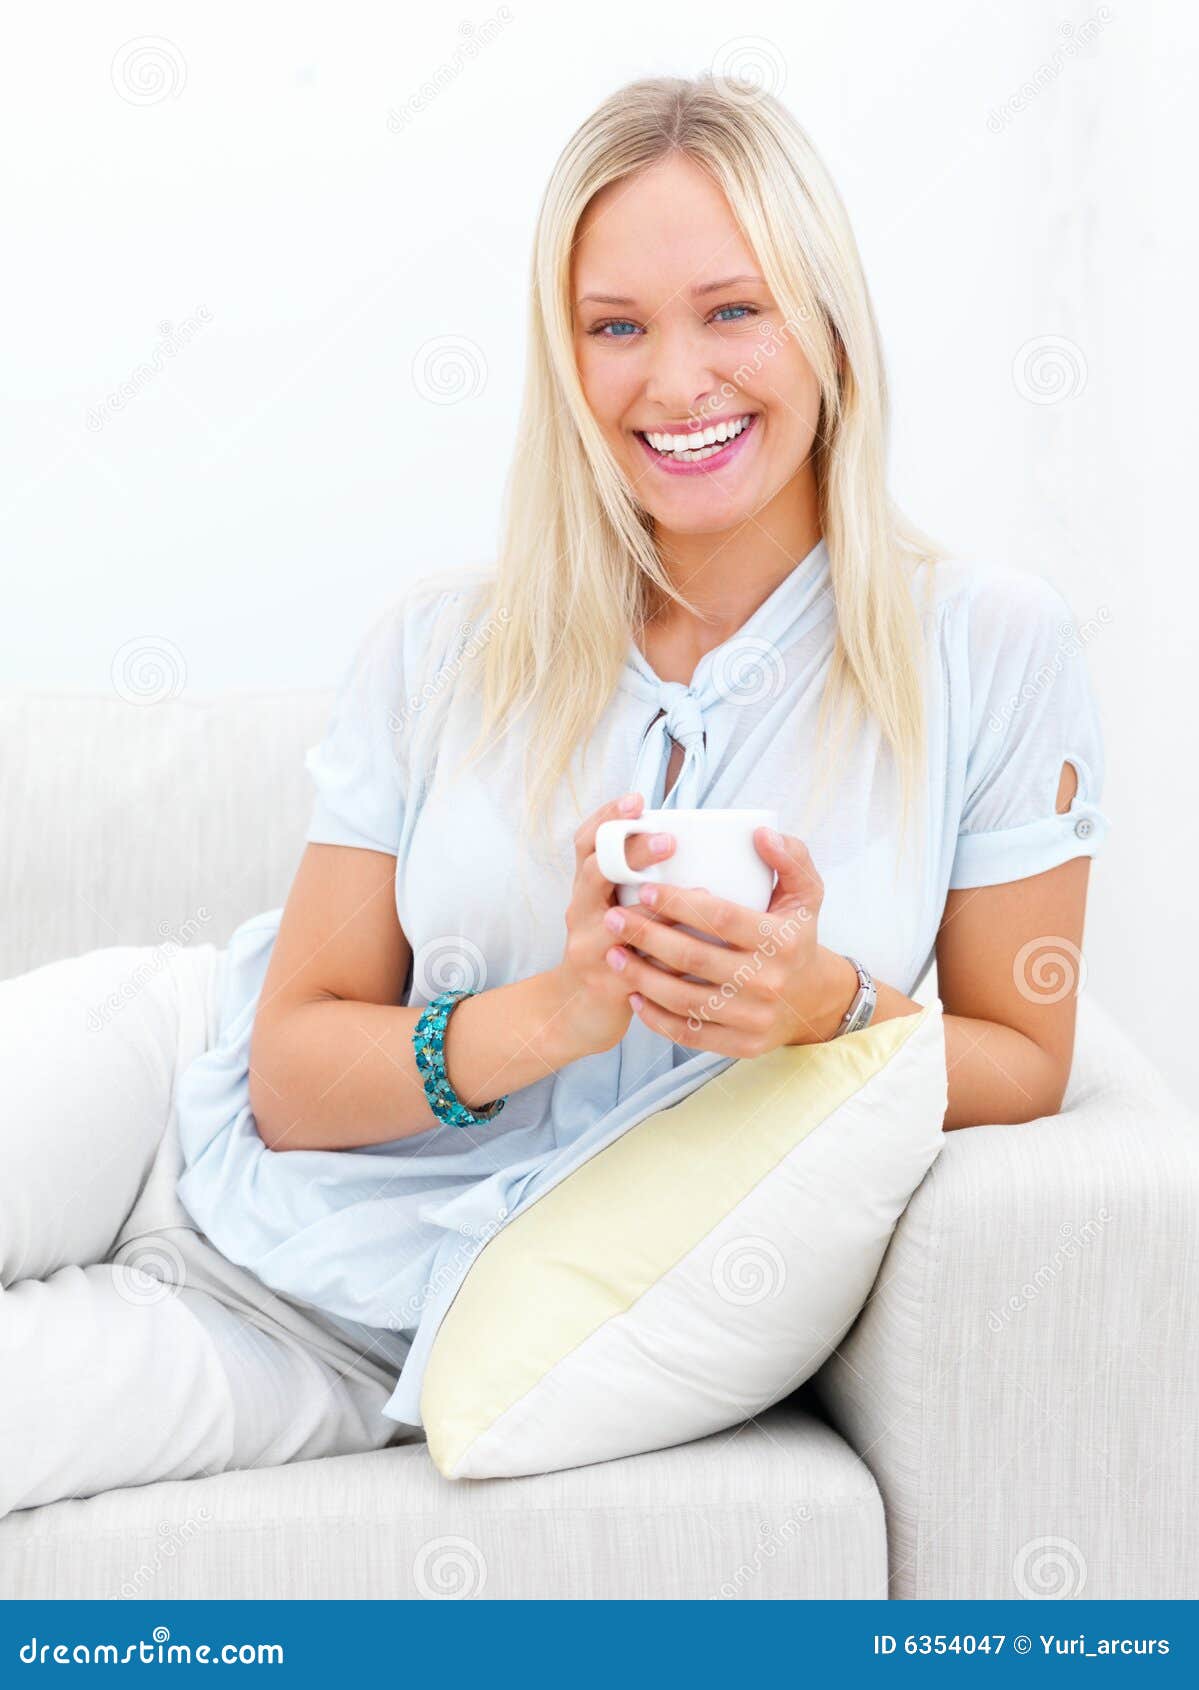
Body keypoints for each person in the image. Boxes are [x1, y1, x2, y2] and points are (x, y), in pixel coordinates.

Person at [0, 74, 1109, 1521]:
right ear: (566, 359)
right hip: (163, 1088)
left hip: (352, 1322)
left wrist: (826, 1013)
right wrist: (559, 1015)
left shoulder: (988, 649)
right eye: (617, 328)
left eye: (734, 309)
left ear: (828, 329)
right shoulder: (441, 646)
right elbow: (284, 1070)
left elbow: (1024, 1053)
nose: (676, 382)